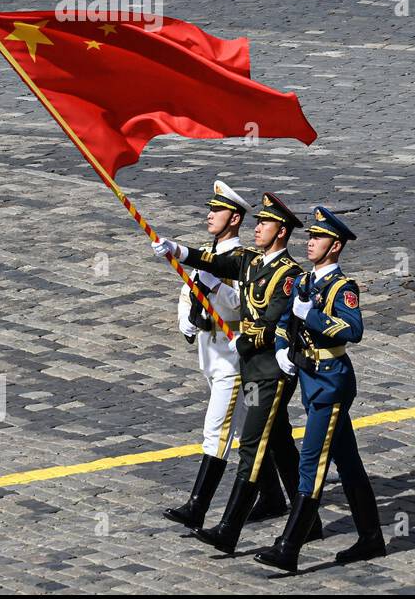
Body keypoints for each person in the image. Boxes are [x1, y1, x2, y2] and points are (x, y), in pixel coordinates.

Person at [151, 192, 306, 553]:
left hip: (265, 367)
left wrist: (244, 342)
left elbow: (273, 322)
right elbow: (213, 262)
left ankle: (221, 525)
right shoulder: (250, 262)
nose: (257, 228)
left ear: (280, 232)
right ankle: (303, 517)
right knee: (276, 439)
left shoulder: (289, 274)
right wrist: (177, 249)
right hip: (245, 363)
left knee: (245, 442)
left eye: (264, 223)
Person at [256, 207, 385, 571]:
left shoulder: (343, 287)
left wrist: (309, 315)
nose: (310, 243)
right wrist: (282, 349)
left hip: (331, 380)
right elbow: (284, 321)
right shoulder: (303, 282)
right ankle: (371, 538)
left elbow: (352, 330)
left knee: (311, 463)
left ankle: (289, 547)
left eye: (318, 238)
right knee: (348, 462)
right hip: (310, 377)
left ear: (336, 246)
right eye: (310, 237)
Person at [162, 180, 249, 530]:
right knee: (251, 433)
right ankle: (274, 494)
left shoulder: (244, 260)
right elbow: (187, 291)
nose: (210, 215)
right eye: (210, 209)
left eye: (218, 210)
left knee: (217, 430)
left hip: (232, 354)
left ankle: (197, 506)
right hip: (208, 352)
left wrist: (214, 285)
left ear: (235, 219)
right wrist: (185, 319)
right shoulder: (204, 254)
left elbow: (243, 305)